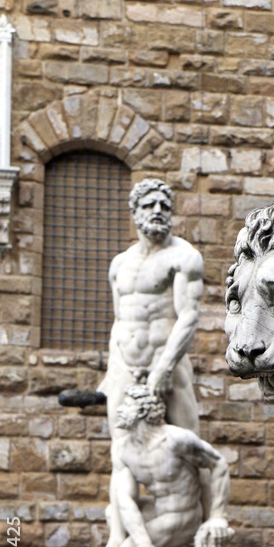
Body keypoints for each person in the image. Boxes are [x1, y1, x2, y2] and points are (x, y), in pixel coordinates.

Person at [100, 177, 204, 435]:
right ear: (135, 212)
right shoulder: (120, 264)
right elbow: (119, 321)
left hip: (167, 363)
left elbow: (188, 316)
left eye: (164, 206)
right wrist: (111, 373)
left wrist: (164, 368)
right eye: (149, 205)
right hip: (125, 366)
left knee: (187, 444)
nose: (157, 210)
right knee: (122, 451)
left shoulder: (184, 256)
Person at [105, 384, 233, 547]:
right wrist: (143, 545)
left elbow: (219, 464)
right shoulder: (123, 448)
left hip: (182, 516)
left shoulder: (176, 439)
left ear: (142, 411)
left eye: (126, 405)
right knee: (111, 513)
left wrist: (217, 516)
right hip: (157, 510)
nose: (119, 410)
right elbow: (126, 500)